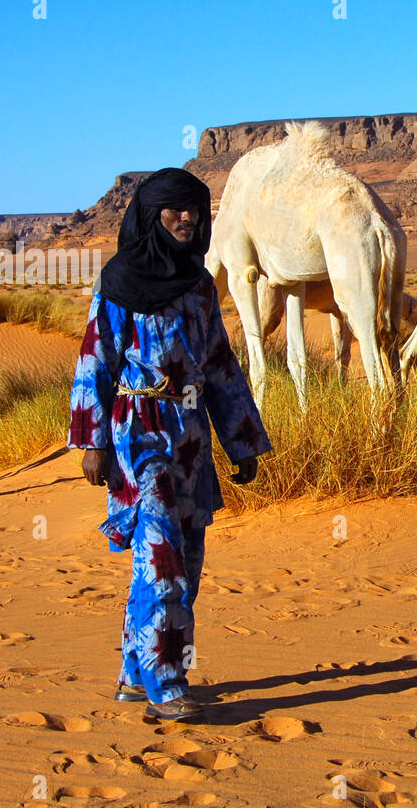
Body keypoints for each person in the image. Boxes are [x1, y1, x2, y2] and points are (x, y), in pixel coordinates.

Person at [69, 167, 271, 723]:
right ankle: (165, 679)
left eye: (196, 211)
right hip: (136, 430)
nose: (188, 219)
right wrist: (92, 442)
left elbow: (220, 364)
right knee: (161, 559)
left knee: (188, 558)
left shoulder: (201, 286)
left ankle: (134, 675)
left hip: (190, 437)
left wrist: (241, 441)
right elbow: (95, 362)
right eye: (175, 209)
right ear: (151, 214)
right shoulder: (117, 283)